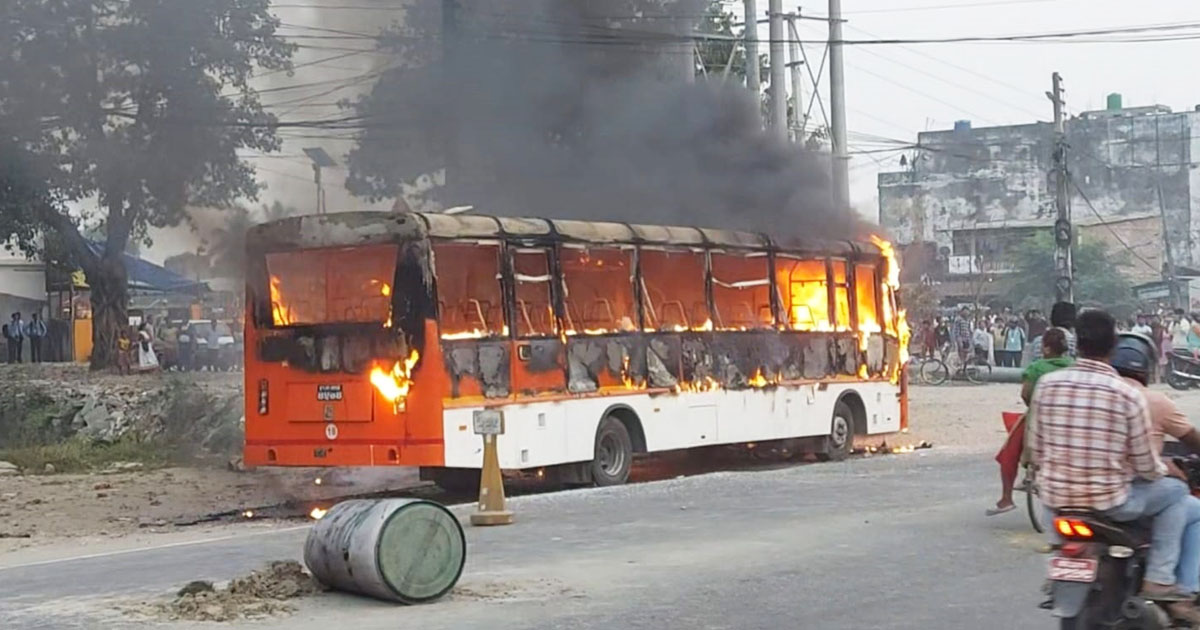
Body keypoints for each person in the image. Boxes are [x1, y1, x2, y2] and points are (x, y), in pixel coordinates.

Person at [1031, 310, 1191, 601]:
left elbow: (1037, 451)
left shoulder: (1047, 385)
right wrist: (1165, 469)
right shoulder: (1128, 395)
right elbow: (1146, 466)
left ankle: (1057, 571)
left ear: (1077, 345)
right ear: (1112, 347)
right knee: (1178, 492)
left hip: (1055, 500)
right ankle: (1159, 577)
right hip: (1111, 503)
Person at [1110, 332, 1200, 622]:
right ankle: (1179, 588)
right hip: (1128, 493)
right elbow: (1188, 439)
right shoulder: (1152, 401)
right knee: (1182, 499)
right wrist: (1166, 468)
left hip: (1077, 494)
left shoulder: (1094, 394)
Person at [988, 328, 1073, 517]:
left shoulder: (1036, 368)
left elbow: (1025, 394)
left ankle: (1006, 498)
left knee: (1008, 452)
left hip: (1039, 417)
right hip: (1069, 418)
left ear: (1047, 349)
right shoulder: (1073, 367)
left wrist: (1032, 406)